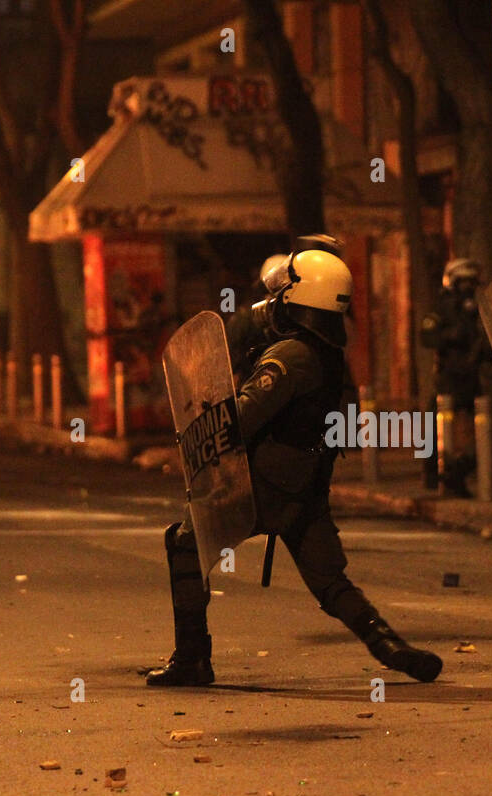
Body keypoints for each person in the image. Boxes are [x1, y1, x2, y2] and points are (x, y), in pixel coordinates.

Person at [147, 249, 443, 687]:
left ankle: (192, 658)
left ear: (298, 299)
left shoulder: (290, 355)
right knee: (330, 582)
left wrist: (210, 412)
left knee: (186, 544)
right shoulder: (328, 355)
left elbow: (242, 419)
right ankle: (389, 646)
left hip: (262, 487)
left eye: (283, 293)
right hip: (307, 490)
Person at [420, 258, 485, 496]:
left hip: (471, 376)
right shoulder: (443, 306)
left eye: (472, 282)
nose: (468, 287)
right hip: (448, 378)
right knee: (433, 427)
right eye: (464, 282)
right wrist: (450, 335)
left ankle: (458, 474)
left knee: (482, 430)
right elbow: (427, 336)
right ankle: (436, 476)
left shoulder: (480, 307)